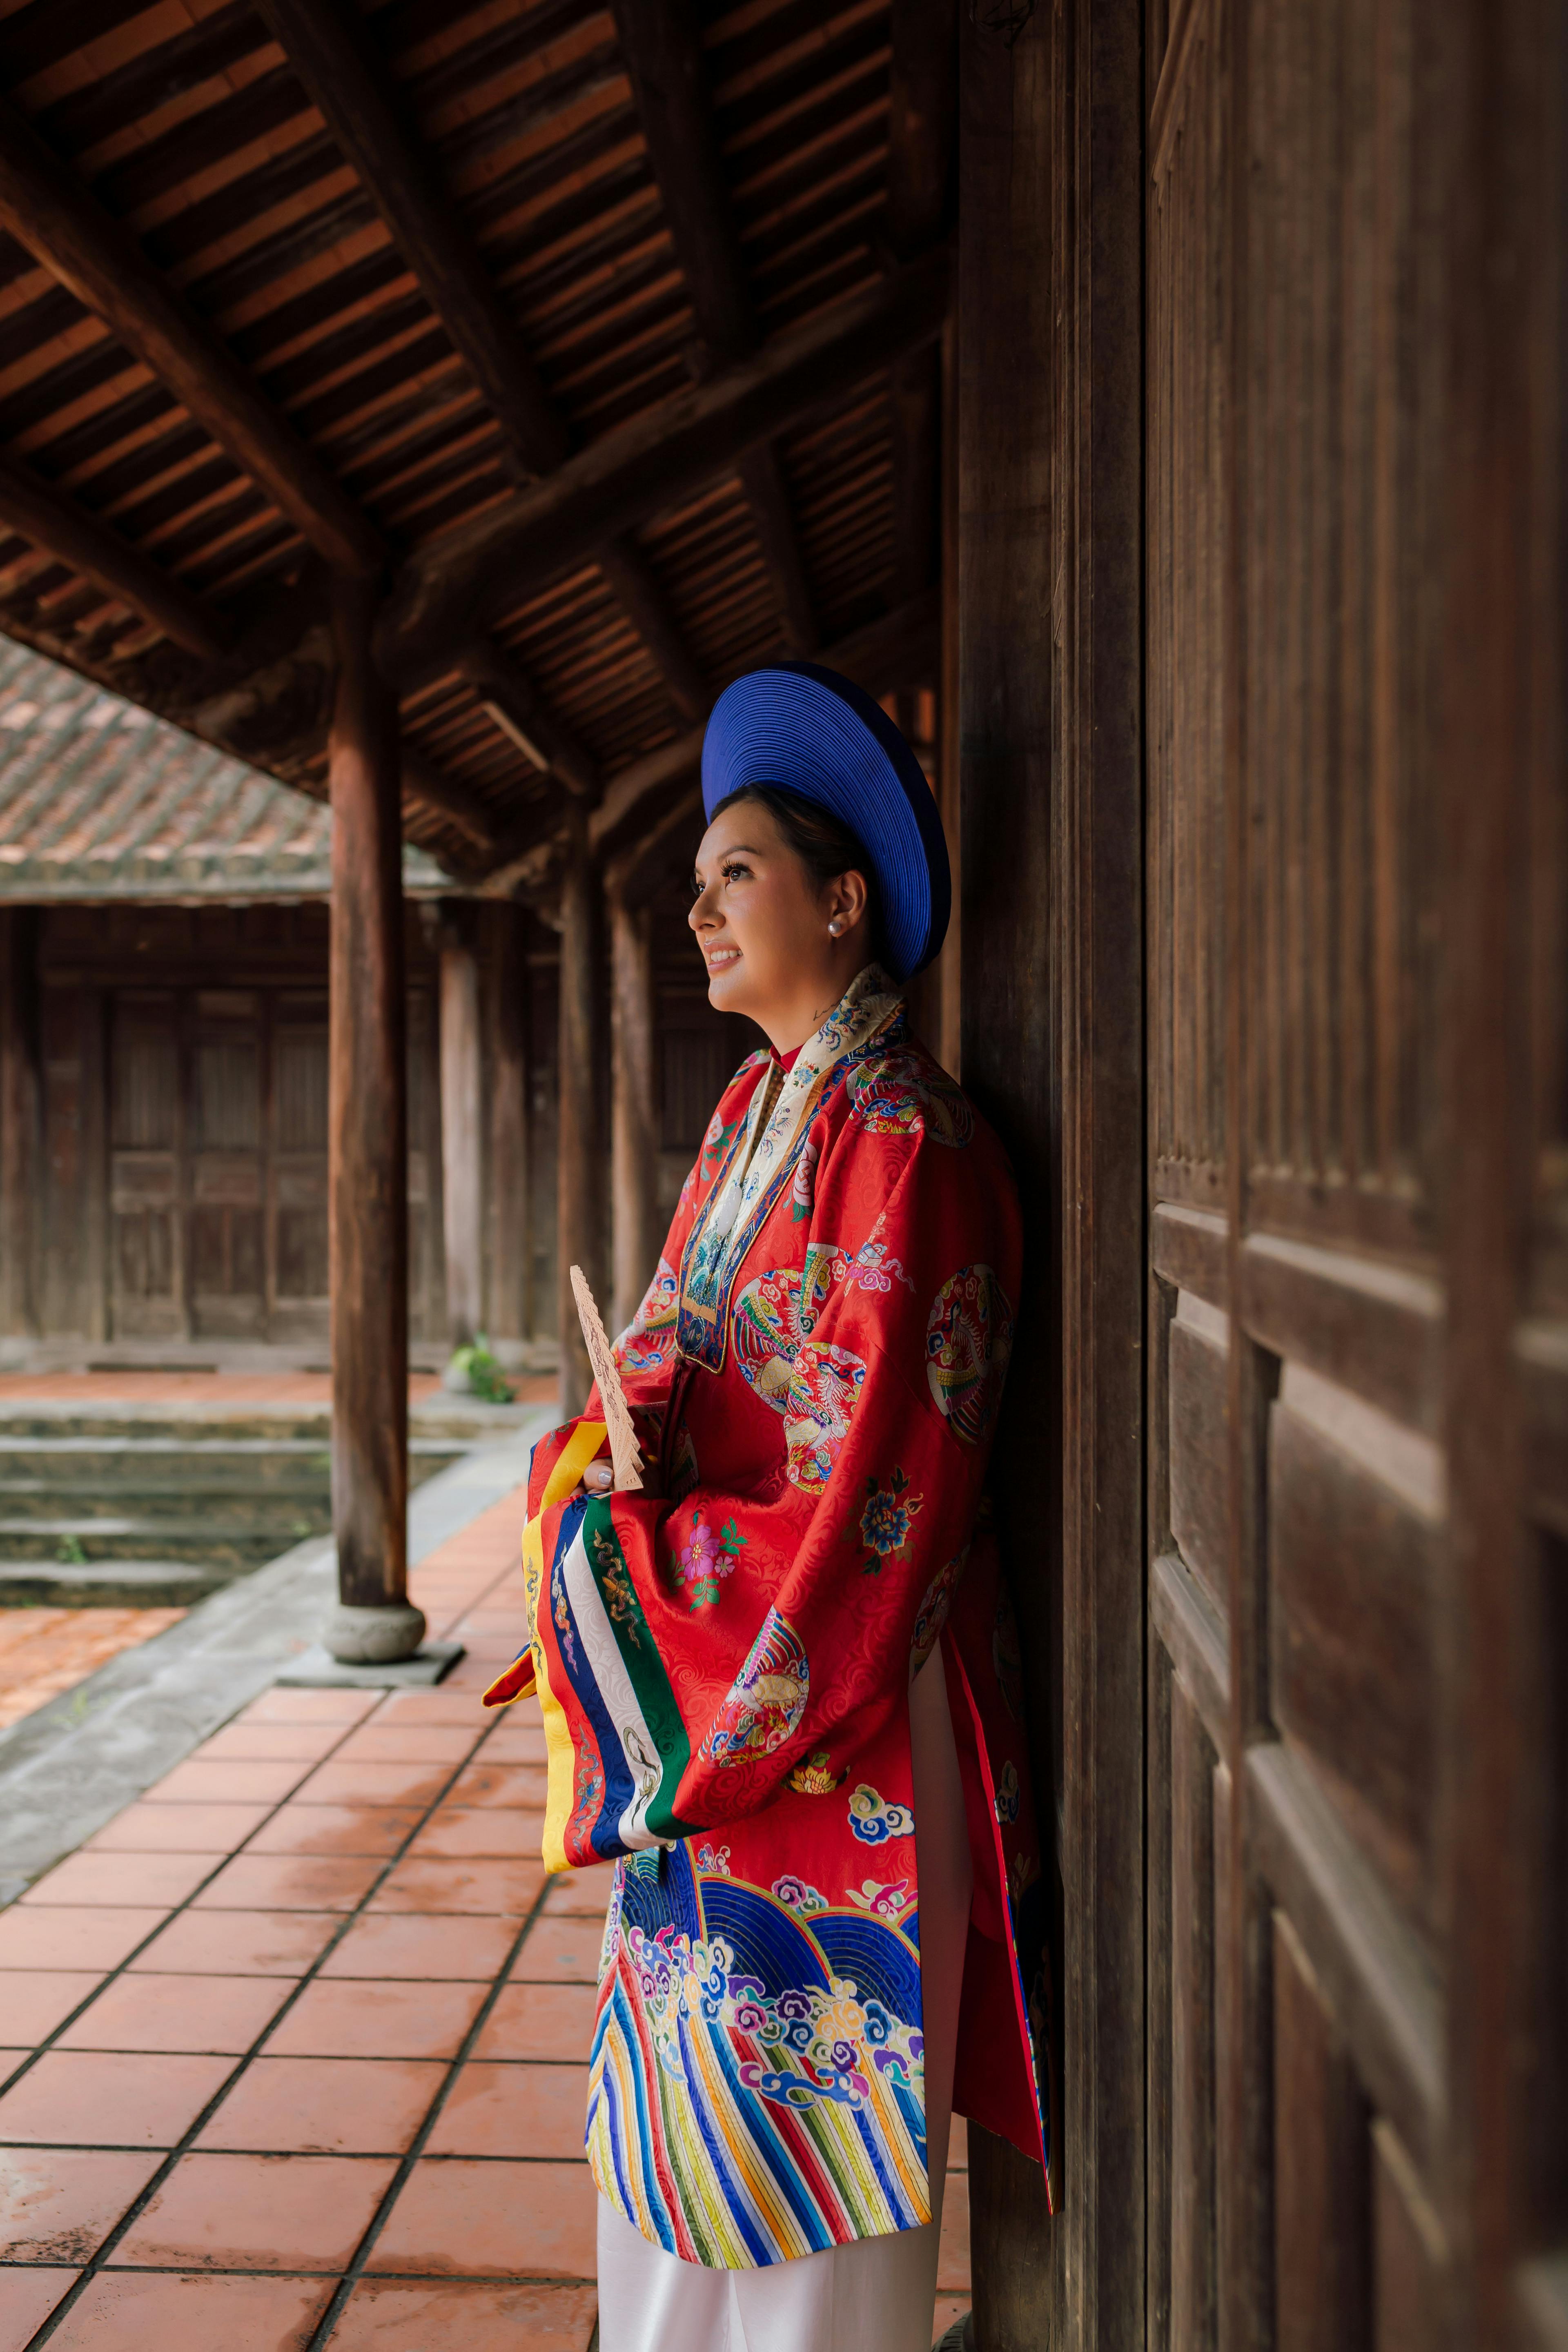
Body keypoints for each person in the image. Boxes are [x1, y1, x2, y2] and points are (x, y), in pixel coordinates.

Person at [485, 663, 1053, 2352]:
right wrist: (600, 1472)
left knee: (803, 2177)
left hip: (837, 1700)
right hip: (720, 1678)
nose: (700, 910)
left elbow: (870, 1499)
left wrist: (638, 1569)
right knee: (673, 2134)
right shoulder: (754, 1115)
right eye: (701, 879)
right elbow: (665, 1350)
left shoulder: (911, 1146)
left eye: (736, 871)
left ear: (843, 900)